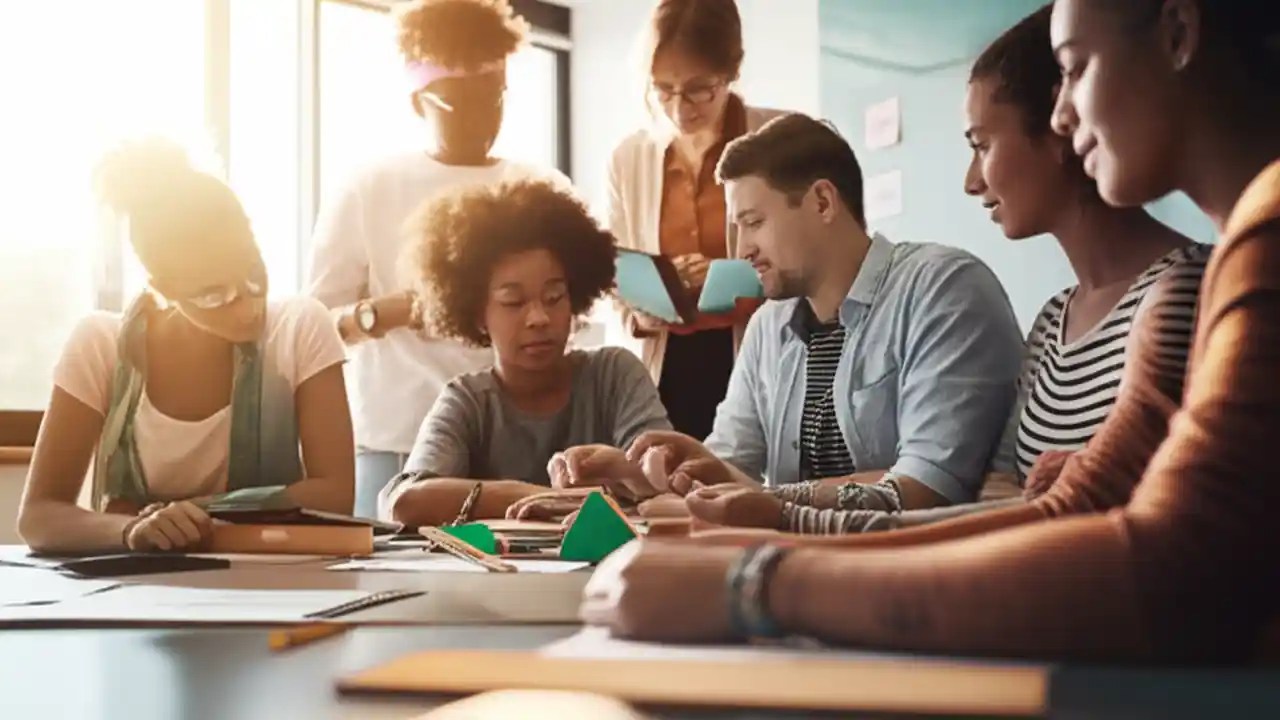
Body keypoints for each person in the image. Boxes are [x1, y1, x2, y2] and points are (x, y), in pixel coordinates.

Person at [582, 0, 1280, 662]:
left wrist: (761, 580)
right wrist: (752, 545)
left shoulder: (1231, 259)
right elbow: (1071, 509)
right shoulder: (1199, 273)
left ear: (1179, 33)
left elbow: (1172, 572)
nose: (1064, 115)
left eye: (1074, 69)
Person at [663, 3, 1211, 537]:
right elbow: (1002, 511)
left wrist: (778, 529)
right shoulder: (1052, 322)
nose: (972, 180)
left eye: (982, 144)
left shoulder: (1178, 291)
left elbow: (1066, 523)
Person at [574, 112, 1025, 519]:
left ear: (823, 202)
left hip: (915, 579)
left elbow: (927, 489)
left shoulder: (942, 290)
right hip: (795, 571)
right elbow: (730, 471)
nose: (741, 249)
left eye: (753, 222)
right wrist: (639, 481)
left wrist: (767, 498)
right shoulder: (768, 327)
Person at [17, 141, 354, 555]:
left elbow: (335, 493)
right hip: (133, 589)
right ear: (164, 290)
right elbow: (39, 516)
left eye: (252, 275)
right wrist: (130, 531)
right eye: (215, 296)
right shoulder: (101, 346)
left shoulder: (299, 328)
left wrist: (186, 513)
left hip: (268, 580)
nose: (247, 307)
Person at [308, 0, 570, 518]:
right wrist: (384, 313)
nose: (480, 118)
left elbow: (578, 322)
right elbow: (312, 329)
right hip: (397, 443)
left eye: (493, 99)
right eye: (458, 103)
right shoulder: (370, 189)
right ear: (417, 101)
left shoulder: (543, 189)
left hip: (518, 442)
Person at [378, 179, 672, 526]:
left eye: (554, 298)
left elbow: (667, 477)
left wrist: (626, 471)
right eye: (513, 302)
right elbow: (404, 501)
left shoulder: (614, 374)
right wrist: (541, 497)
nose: (538, 318)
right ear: (477, 314)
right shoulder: (469, 401)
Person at [605, 0, 784, 440]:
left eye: (699, 88)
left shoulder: (784, 138)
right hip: (665, 371)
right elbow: (611, 275)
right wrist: (646, 307)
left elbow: (819, 260)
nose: (679, 108)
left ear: (732, 69)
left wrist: (731, 276)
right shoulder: (630, 158)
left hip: (763, 360)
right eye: (663, 89)